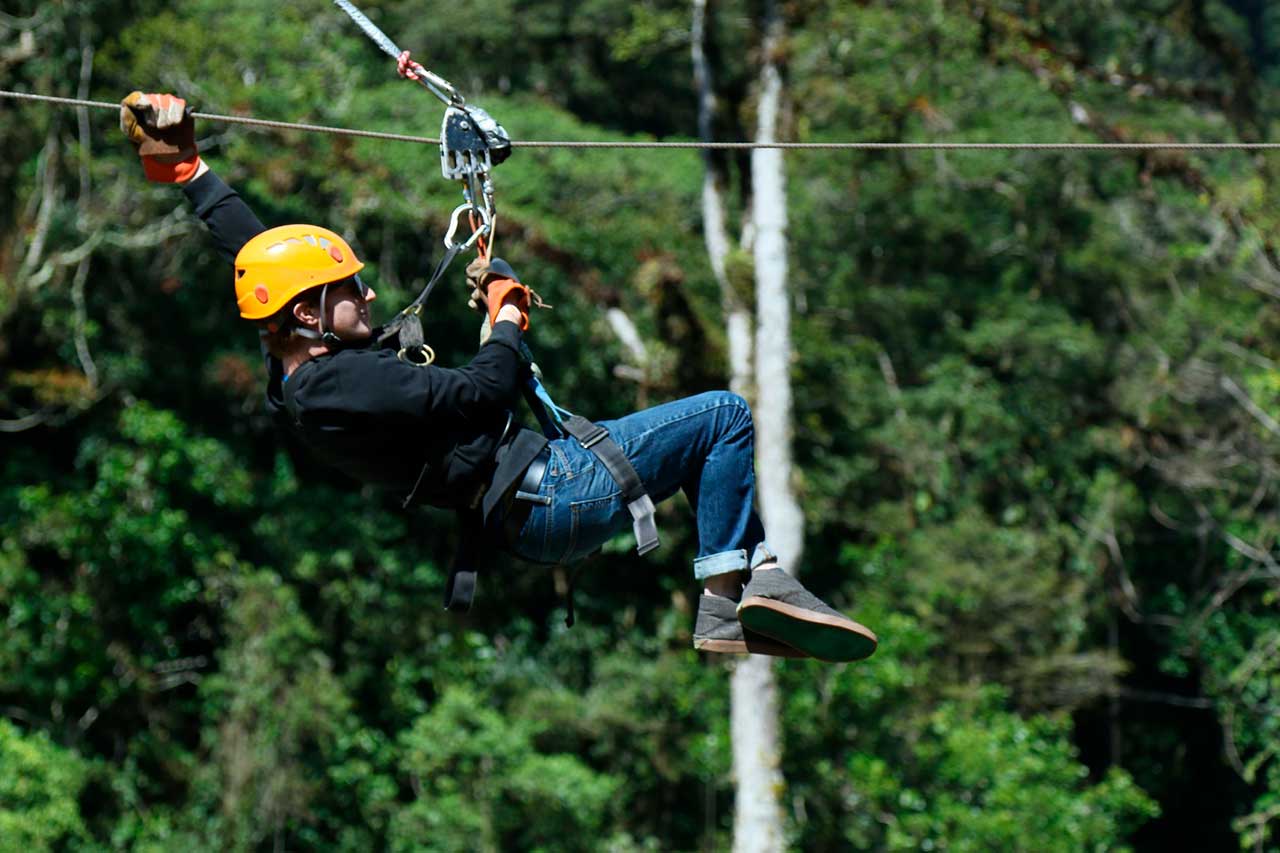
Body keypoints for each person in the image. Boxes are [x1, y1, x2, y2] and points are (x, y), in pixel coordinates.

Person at [119, 90, 878, 662]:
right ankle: (740, 590)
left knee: (706, 436)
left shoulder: (296, 362)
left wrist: (188, 168)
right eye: (350, 288)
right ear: (309, 312)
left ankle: (733, 598)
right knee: (724, 415)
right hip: (552, 489)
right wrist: (507, 317)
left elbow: (254, 250)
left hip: (534, 501)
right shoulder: (340, 388)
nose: (370, 294)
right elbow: (485, 390)